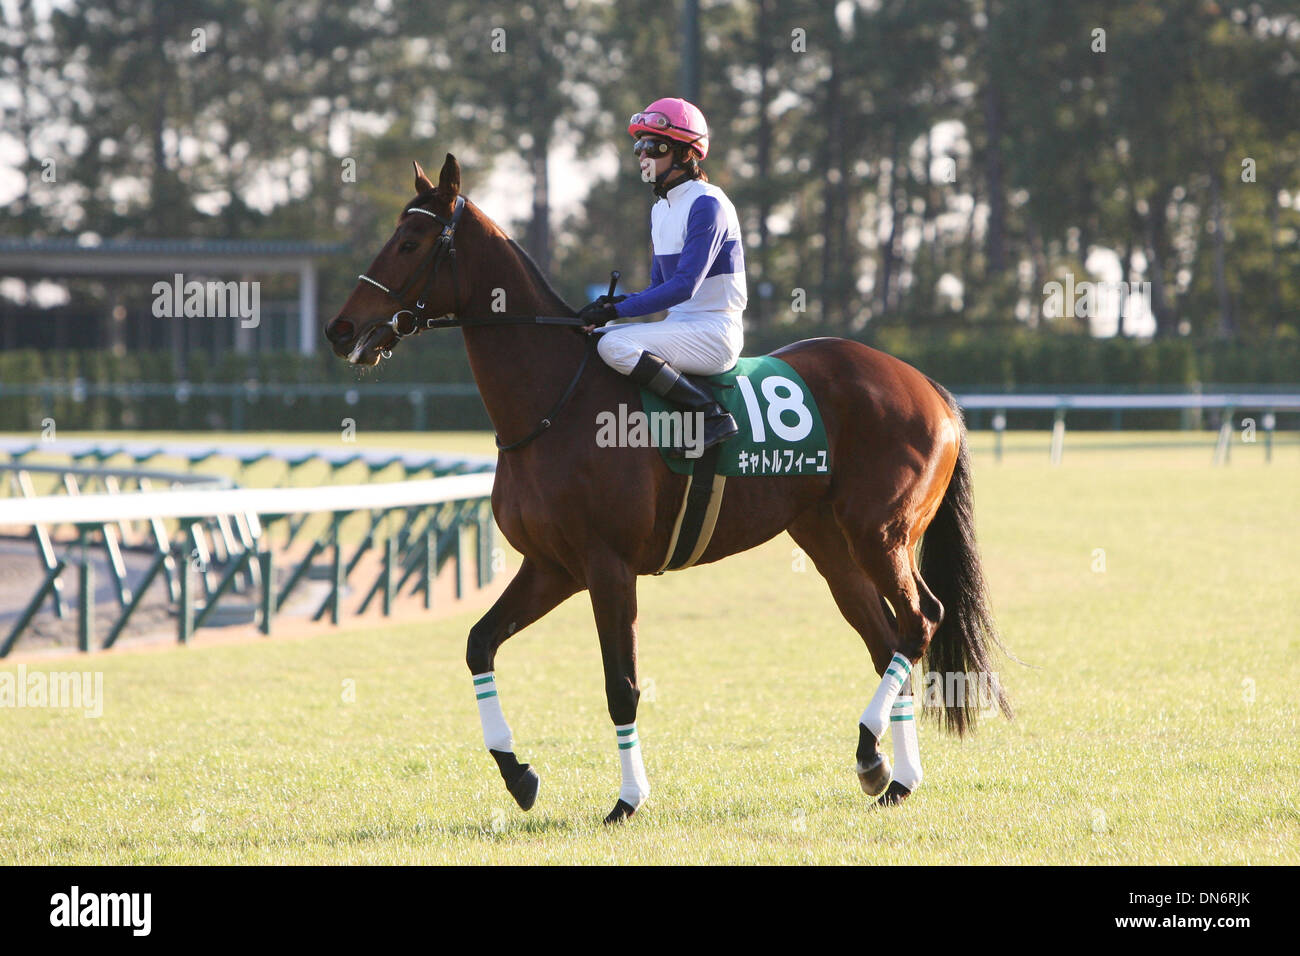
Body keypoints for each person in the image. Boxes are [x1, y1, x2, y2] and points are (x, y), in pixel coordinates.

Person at [577, 97, 747, 455]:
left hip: (714, 332)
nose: (643, 157)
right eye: (640, 147)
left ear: (687, 154)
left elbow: (684, 286)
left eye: (654, 147)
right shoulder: (660, 210)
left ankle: (709, 413)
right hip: (684, 326)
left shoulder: (707, 203)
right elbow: (659, 288)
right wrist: (614, 303)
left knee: (612, 343)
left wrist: (616, 312)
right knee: (594, 339)